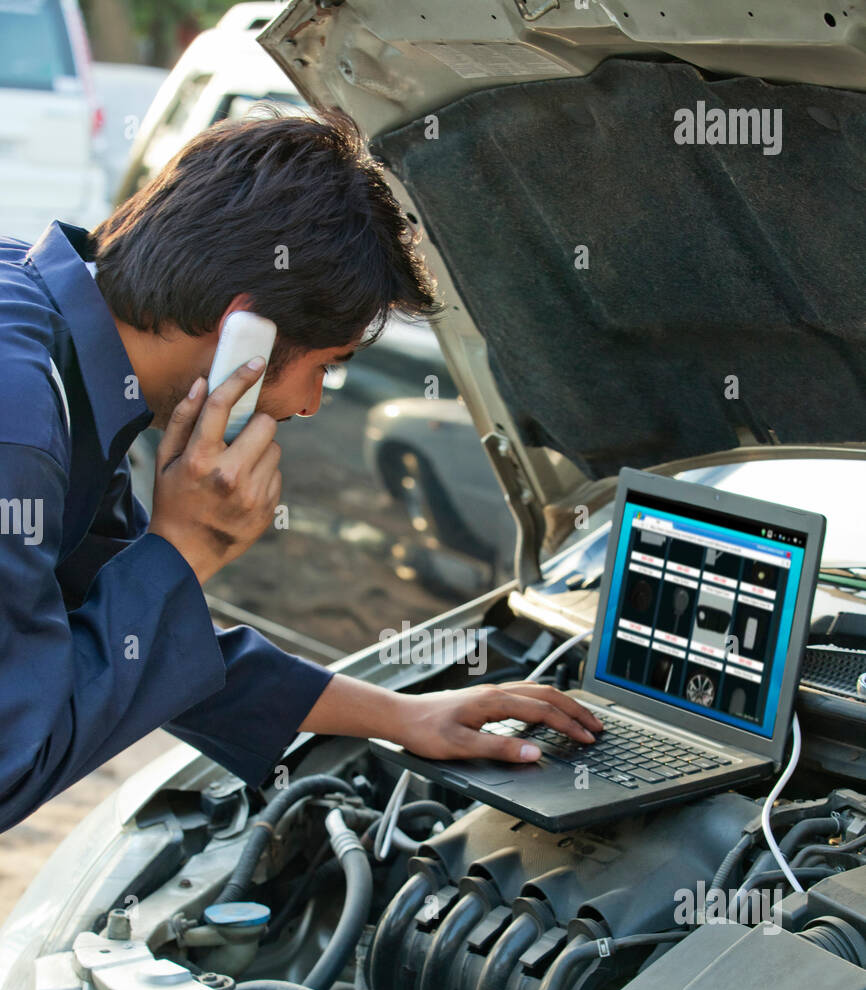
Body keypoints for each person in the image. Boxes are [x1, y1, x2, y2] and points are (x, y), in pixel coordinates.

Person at [0, 110, 601, 833]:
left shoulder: (48, 338)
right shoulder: (22, 435)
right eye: (325, 367)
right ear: (241, 331)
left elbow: (131, 632)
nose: (312, 405)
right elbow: (12, 761)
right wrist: (187, 547)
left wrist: (402, 715)